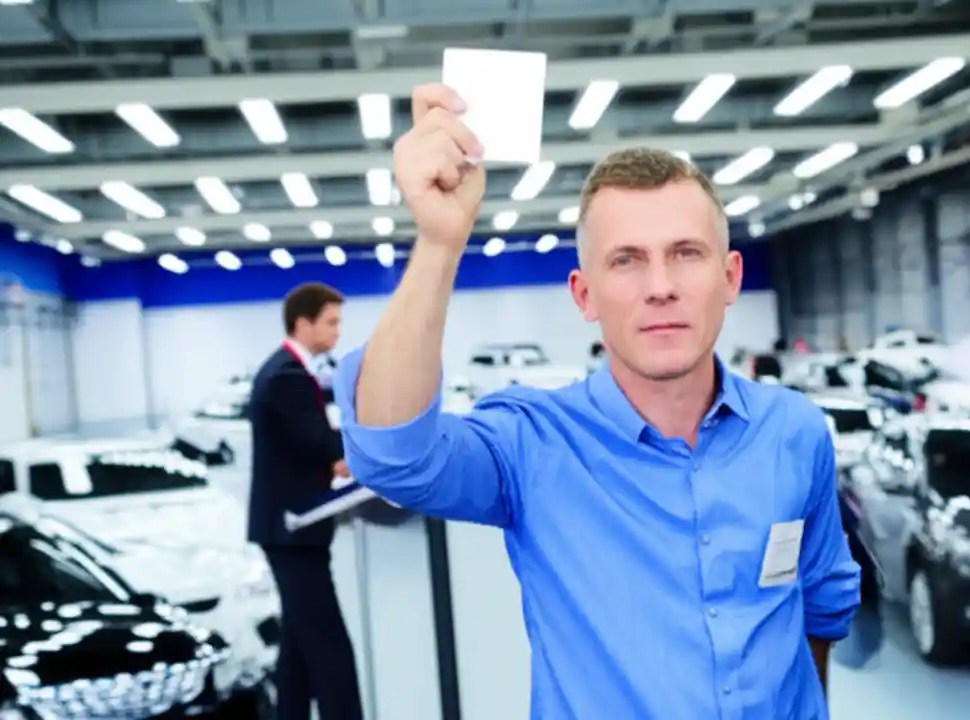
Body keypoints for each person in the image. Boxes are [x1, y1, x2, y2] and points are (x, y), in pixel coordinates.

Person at [335, 84, 860, 718]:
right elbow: (393, 456)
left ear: (730, 279)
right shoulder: (533, 446)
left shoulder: (794, 432)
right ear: (584, 295)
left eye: (686, 254)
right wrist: (440, 243)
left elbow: (822, 607)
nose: (661, 287)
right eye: (627, 261)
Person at [247, 282, 363, 720]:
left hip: (292, 530)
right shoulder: (287, 375)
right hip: (291, 531)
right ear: (303, 322)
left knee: (299, 645)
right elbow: (315, 440)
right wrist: (363, 447)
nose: (337, 331)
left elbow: (301, 446)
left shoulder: (288, 371)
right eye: (331, 322)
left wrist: (332, 458)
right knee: (329, 647)